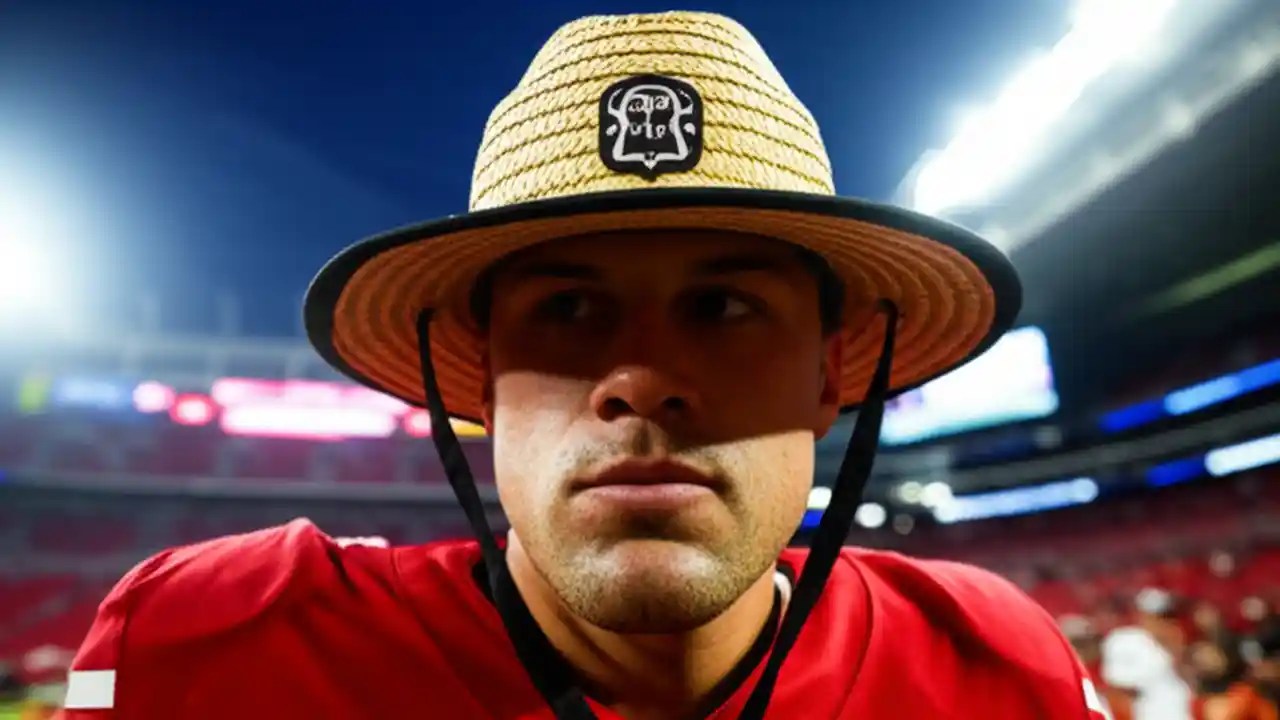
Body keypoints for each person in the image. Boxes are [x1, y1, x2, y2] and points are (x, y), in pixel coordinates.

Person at [60, 11, 1107, 719]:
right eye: (565, 308)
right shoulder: (206, 655)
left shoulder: (999, 672)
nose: (640, 378)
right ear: (473, 377)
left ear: (830, 375)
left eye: (725, 305)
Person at [1102, 588, 1195, 720]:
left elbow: (1190, 679)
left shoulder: (1174, 638)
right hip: (1149, 713)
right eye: (1157, 616)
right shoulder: (1122, 638)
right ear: (1141, 614)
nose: (1162, 622)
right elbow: (1114, 678)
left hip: (1182, 712)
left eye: (1166, 616)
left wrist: (1173, 651)